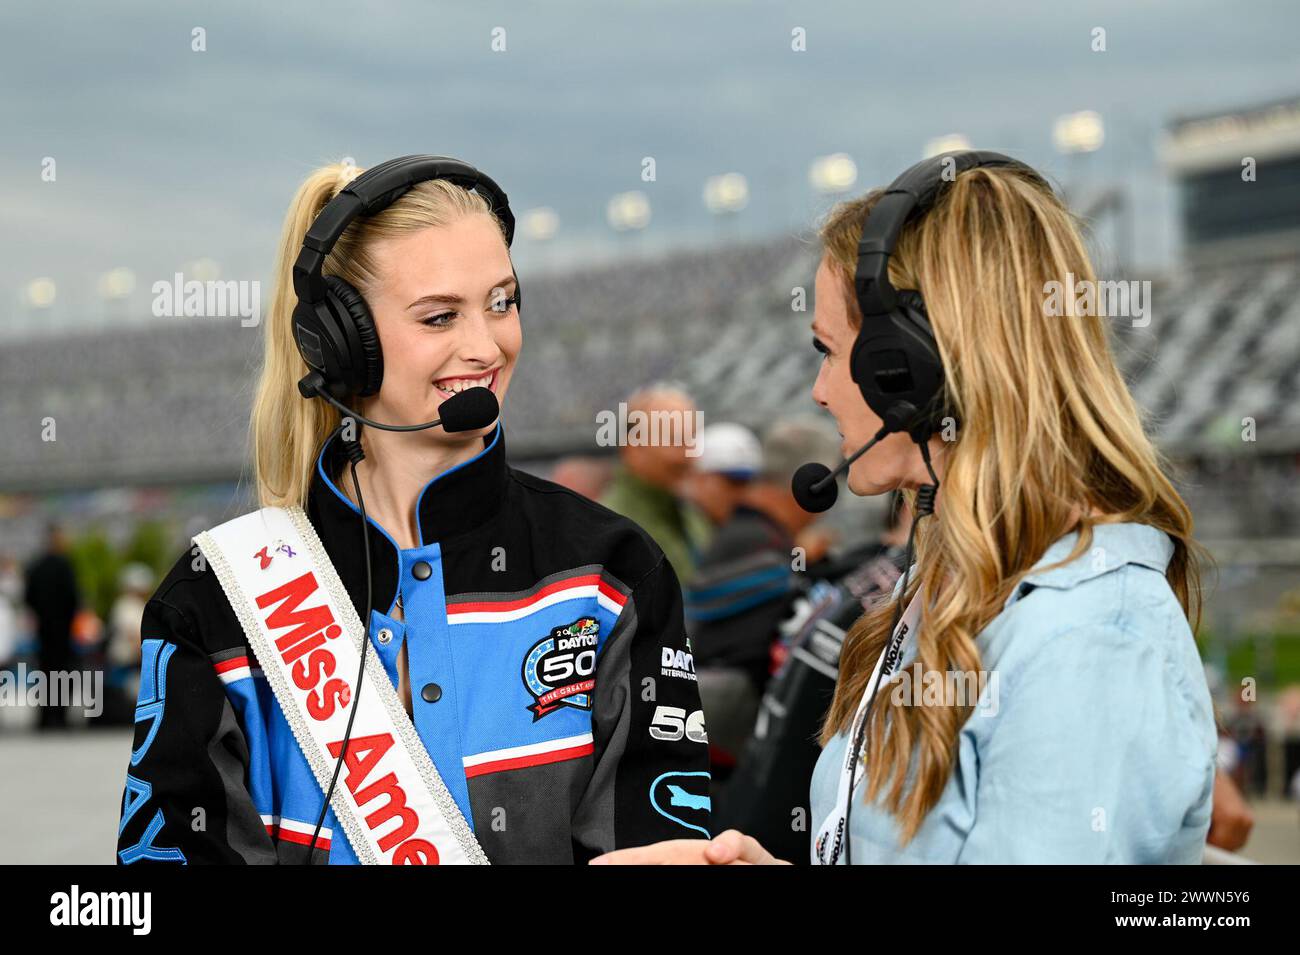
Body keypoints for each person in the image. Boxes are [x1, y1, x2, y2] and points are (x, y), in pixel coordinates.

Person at [594, 151, 1217, 864]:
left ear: (909, 366)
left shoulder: (1091, 635)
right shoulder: (950, 577)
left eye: (829, 351)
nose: (819, 391)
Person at [116, 157, 708, 865]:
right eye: (440, 316)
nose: (487, 347)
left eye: (502, 302)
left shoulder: (614, 572)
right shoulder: (214, 599)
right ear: (341, 343)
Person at [599, 384, 711, 582]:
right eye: (676, 441)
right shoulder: (611, 527)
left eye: (692, 440)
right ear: (634, 448)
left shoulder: (690, 516)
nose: (690, 456)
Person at [23, 524, 80, 730]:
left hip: (44, 632)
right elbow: (73, 598)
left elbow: (28, 598)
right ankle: (60, 717)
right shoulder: (66, 566)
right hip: (62, 632)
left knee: (44, 673)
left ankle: (45, 717)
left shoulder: (36, 566)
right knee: (63, 673)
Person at [684, 422, 762, 529]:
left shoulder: (754, 527)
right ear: (699, 478)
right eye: (733, 482)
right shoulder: (673, 527)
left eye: (749, 483)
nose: (744, 494)